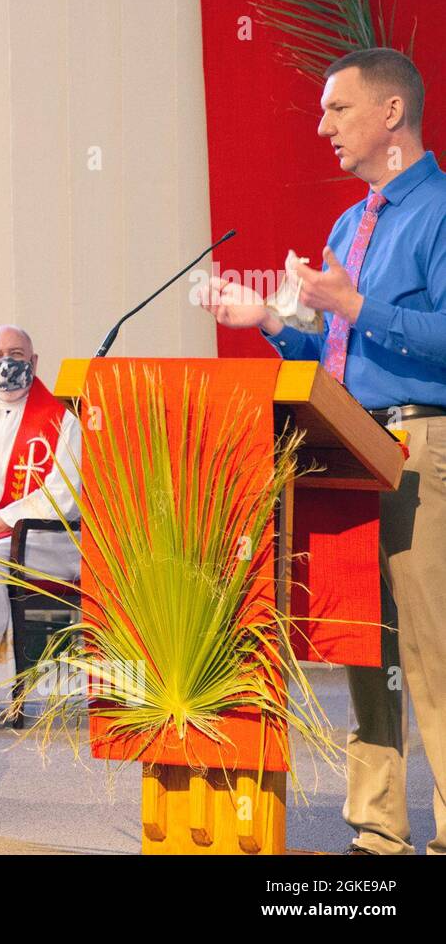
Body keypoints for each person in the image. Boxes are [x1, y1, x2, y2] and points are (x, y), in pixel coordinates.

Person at [198, 48, 446, 854]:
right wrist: (268, 322)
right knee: (364, 642)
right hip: (350, 446)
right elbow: (332, 353)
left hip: (418, 445)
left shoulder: (439, 210)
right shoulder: (351, 221)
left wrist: (360, 304)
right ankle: (378, 825)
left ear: (390, 116)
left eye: (337, 109)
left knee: (430, 645)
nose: (322, 125)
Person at [0, 325, 81, 729]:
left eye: (16, 353)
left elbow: (64, 493)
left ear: (34, 361)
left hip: (43, 537)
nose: (7, 364)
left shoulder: (62, 420)